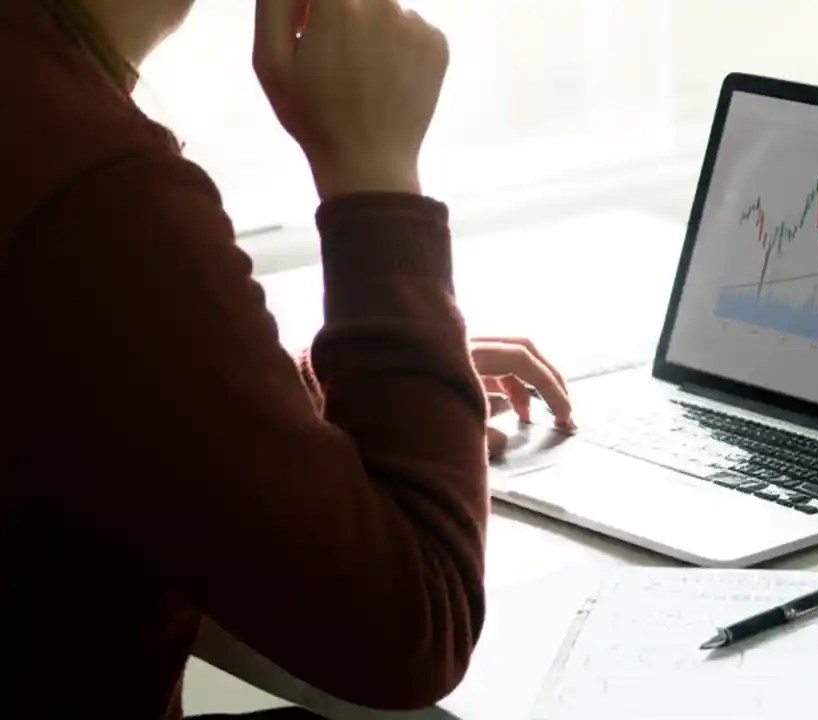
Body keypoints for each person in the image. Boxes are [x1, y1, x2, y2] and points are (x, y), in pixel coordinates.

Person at [0, 0, 576, 717]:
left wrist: (355, 375)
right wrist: (376, 175)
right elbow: (413, 630)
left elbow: (91, 391)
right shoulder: (93, 185)